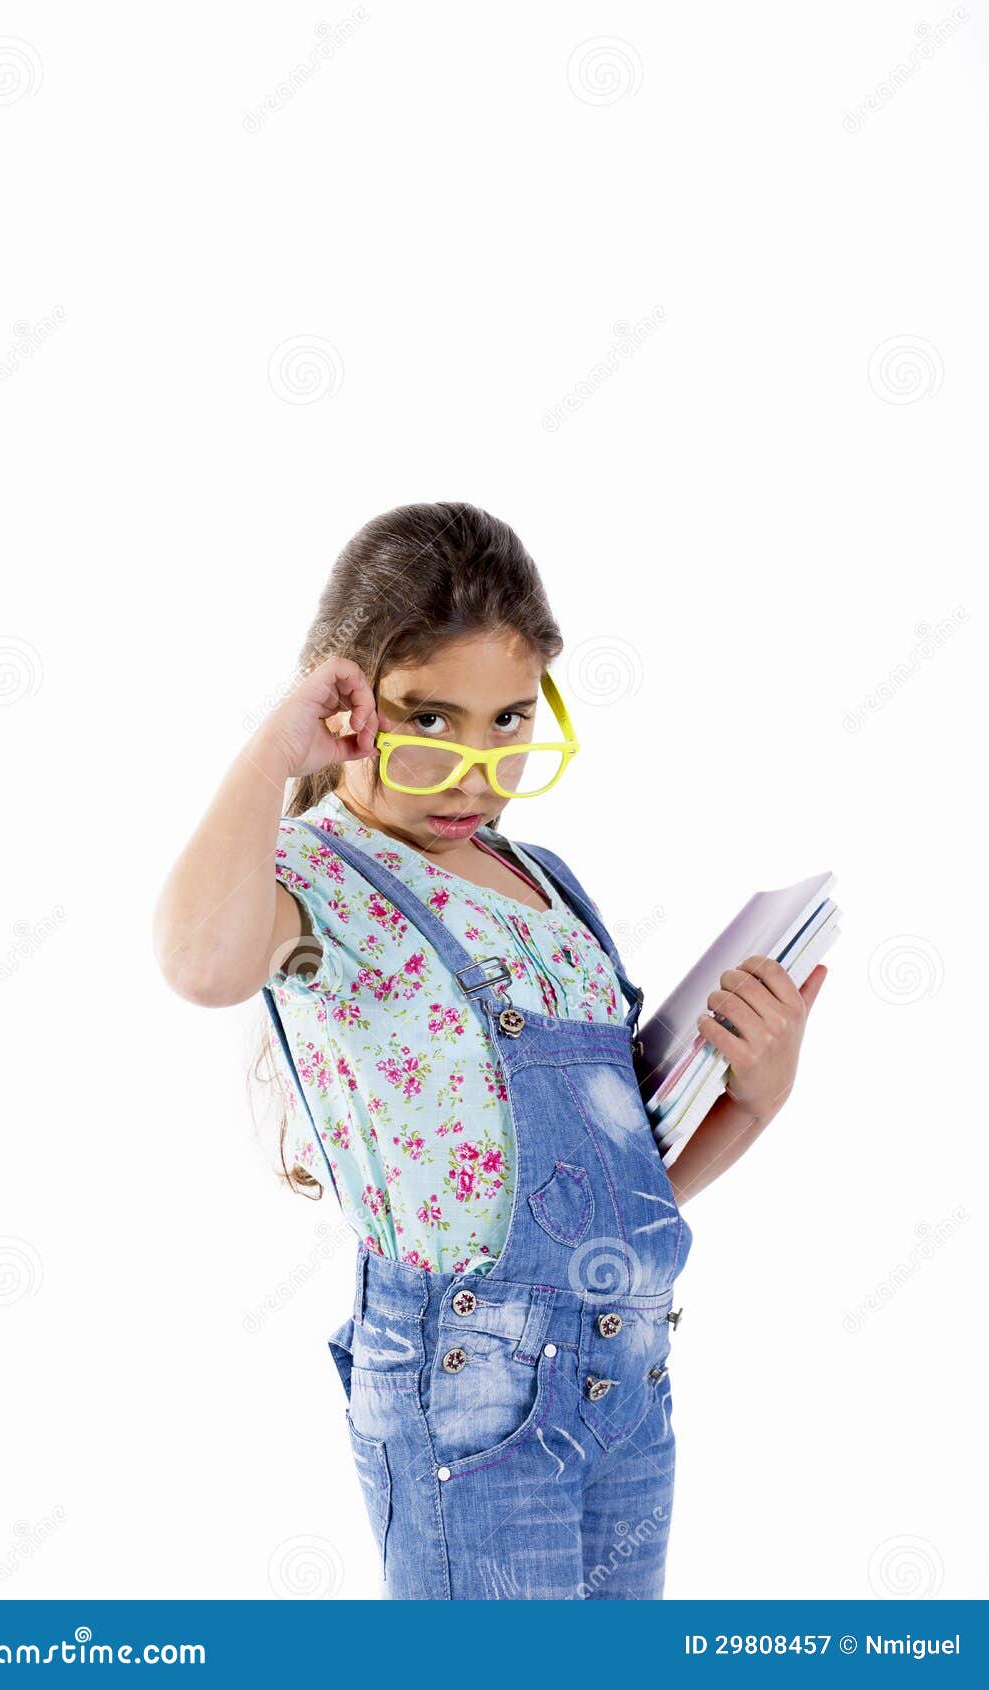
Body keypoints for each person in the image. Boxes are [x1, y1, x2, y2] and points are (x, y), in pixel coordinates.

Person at [153, 501, 826, 1600]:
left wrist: (754, 1099)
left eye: (508, 720)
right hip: (466, 1391)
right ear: (345, 702)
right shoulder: (316, 872)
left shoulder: (548, 886)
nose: (475, 770)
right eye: (430, 719)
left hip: (627, 1374)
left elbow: (622, 1190)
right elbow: (198, 962)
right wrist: (272, 752)